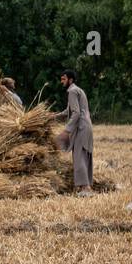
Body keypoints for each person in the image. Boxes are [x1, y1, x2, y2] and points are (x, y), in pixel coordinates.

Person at [56, 68, 94, 196]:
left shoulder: (72, 91)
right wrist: (53, 116)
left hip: (81, 127)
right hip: (86, 126)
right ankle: (86, 185)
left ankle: (86, 188)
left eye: (64, 79)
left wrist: (67, 130)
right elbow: (69, 111)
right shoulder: (78, 90)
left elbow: (76, 113)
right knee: (84, 156)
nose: (62, 81)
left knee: (79, 156)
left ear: (70, 80)